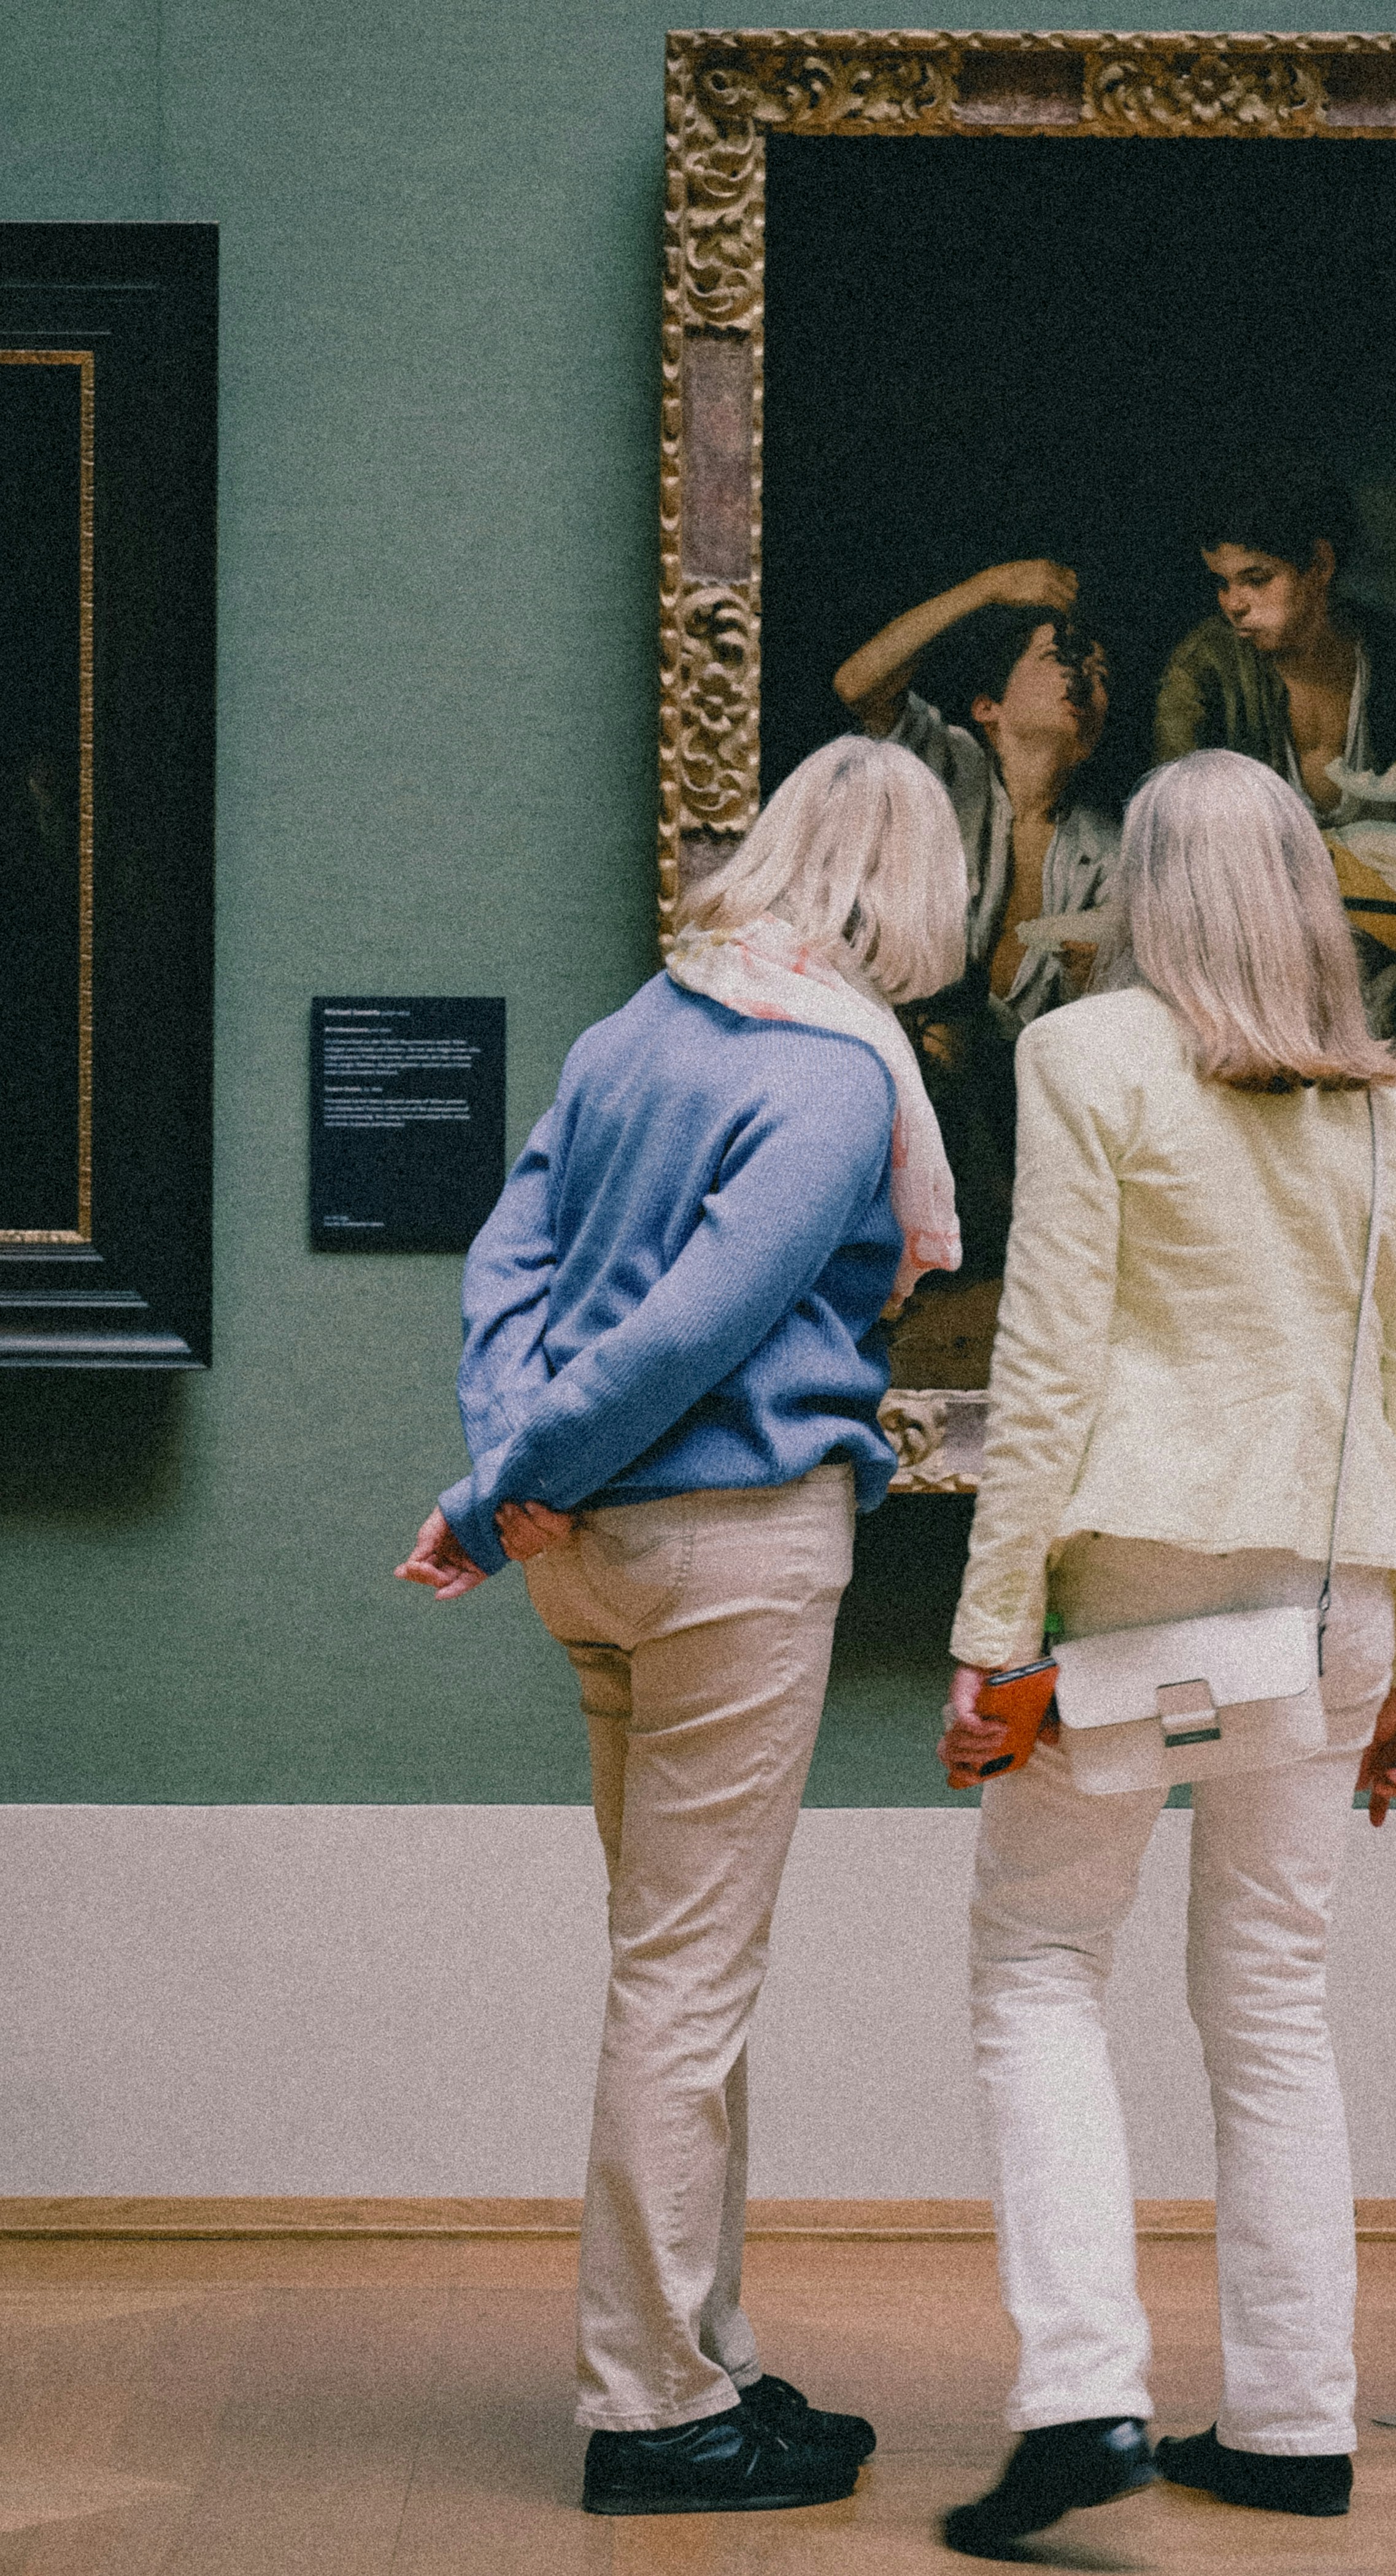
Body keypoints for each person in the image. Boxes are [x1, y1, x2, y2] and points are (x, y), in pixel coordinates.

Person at [395, 735, 969, 2520]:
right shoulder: (826, 1074)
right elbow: (695, 1333)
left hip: (597, 1548)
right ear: (911, 882)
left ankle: (703, 2354)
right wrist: (508, 1488)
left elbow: (514, 1261)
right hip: (726, 1545)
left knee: (674, 1963)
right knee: (686, 1976)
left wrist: (517, 1464)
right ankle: (655, 2407)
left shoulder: (640, 1025)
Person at [935, 750, 1396, 2559]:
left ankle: (1084, 2388)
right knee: (1269, 2011)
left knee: (1034, 1974)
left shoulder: (1086, 1058)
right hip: (1329, 1605)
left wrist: (988, 1635)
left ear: (1148, 890)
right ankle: (1294, 2422)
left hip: (1143, 1601)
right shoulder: (1388, 1104)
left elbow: (1047, 1373)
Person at [1154, 449, 1396, 1121]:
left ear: (1319, 565)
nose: (1234, 605)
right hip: (1257, 938)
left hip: (1388, 922)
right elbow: (1171, 836)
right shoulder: (1202, 670)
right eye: (1222, 583)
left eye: (1257, 580)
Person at [835, 561, 1121, 1278]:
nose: (1083, 681)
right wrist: (988, 590)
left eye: (1102, 674)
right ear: (988, 706)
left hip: (1018, 1146)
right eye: (1059, 659)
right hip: (884, 1101)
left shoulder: (1110, 851)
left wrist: (1098, 985)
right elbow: (858, 684)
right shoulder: (946, 770)